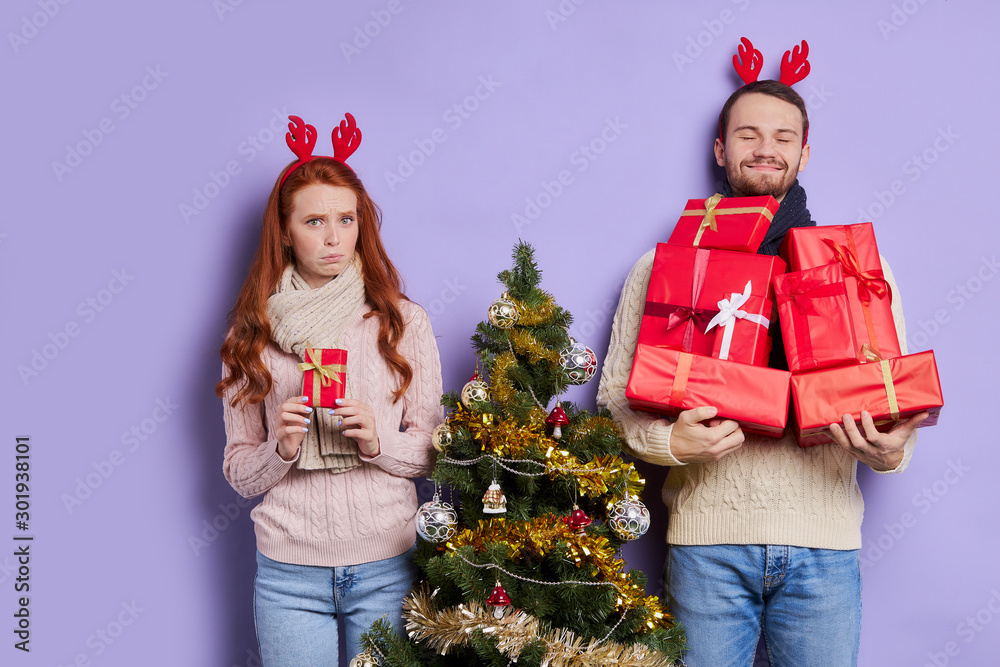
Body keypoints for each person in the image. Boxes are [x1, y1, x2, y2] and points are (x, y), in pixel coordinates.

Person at [596, 64, 929, 665]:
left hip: (824, 547)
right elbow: (615, 400)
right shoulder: (663, 263)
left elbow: (891, 401)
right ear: (721, 149)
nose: (766, 149)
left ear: (805, 152)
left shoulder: (856, 270)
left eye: (783, 137)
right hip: (707, 545)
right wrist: (671, 442)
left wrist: (891, 450)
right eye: (748, 135)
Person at [216, 113, 443, 666]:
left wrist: (379, 440)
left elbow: (439, 452)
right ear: (285, 231)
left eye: (347, 218)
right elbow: (239, 471)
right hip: (288, 570)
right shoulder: (252, 333)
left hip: (388, 559)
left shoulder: (401, 321)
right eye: (315, 221)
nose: (335, 236)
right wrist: (280, 451)